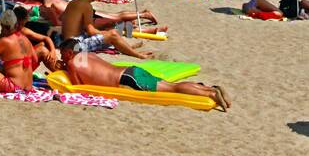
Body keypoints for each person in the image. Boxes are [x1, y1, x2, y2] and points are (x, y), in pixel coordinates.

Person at [59, 39, 230, 111]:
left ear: (68, 52)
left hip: (128, 80)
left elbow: (75, 87)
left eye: (62, 54)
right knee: (171, 85)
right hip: (132, 71)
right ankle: (208, 88)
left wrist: (62, 68)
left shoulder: (73, 63)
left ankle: (211, 93)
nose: (62, 58)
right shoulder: (90, 55)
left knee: (174, 89)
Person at [61, 0, 149, 59]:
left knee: (108, 32)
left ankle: (127, 48)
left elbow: (62, 18)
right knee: (113, 34)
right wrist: (106, 33)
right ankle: (138, 55)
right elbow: (91, 31)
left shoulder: (73, 2)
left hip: (68, 41)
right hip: (75, 46)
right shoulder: (86, 6)